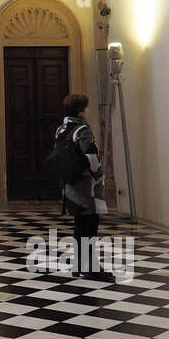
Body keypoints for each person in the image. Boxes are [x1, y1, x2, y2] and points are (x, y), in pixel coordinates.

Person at [55, 93, 107, 277]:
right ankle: (90, 267)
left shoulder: (62, 128)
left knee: (80, 225)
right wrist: (100, 175)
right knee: (90, 225)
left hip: (70, 184)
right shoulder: (82, 129)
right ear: (80, 110)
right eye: (86, 107)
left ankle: (79, 265)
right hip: (86, 185)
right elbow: (91, 156)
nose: (88, 110)